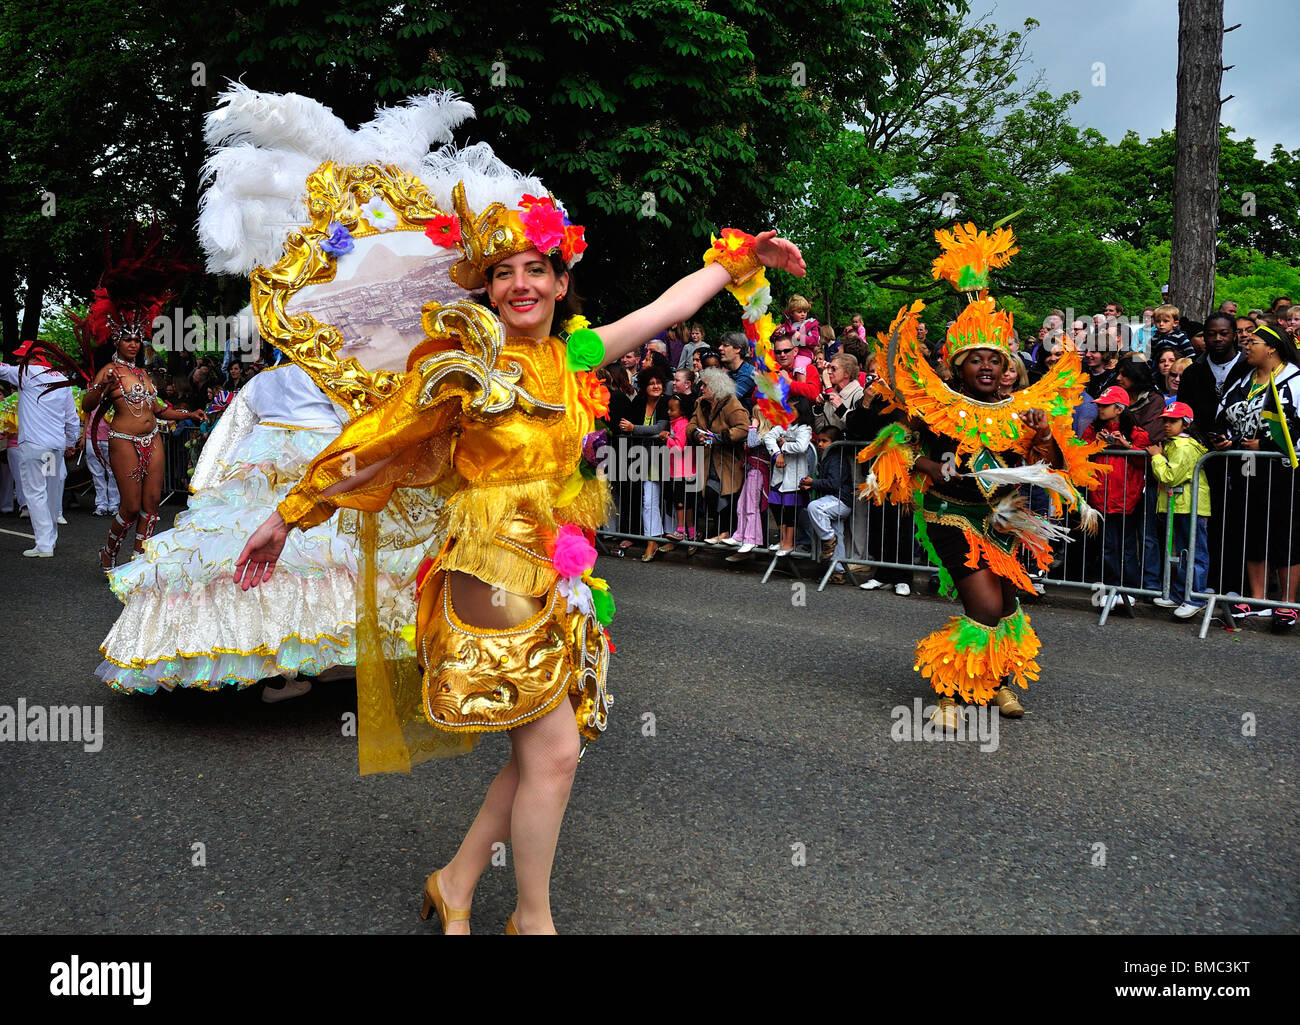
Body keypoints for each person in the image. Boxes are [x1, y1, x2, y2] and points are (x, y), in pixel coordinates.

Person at [228, 92, 805, 933]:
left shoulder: (574, 356)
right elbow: (379, 438)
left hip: (560, 558)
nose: (521, 282)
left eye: (537, 268)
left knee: (543, 753)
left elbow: (669, 309)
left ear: (561, 281)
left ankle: (457, 883)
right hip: (486, 558)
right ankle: (533, 919)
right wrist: (290, 511)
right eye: (504, 272)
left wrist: (736, 258)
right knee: (556, 749)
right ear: (488, 288)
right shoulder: (461, 365)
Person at [856, 224, 1104, 730]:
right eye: (976, 360)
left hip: (1006, 521)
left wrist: (1043, 436)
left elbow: (1055, 465)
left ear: (1008, 365)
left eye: (996, 358)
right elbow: (894, 445)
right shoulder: (936, 405)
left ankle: (997, 683)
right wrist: (933, 467)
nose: (987, 367)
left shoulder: (1024, 409)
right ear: (959, 367)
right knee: (985, 603)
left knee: (1008, 602)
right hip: (951, 515)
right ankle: (950, 692)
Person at [96, 359, 420, 699]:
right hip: (324, 457)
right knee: (327, 556)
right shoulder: (338, 372)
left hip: (260, 458)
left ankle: (281, 669)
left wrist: (207, 482)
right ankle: (327, 658)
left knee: (240, 552)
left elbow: (231, 431)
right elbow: (360, 426)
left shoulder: (262, 381)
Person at [82, 325, 207, 567]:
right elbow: (88, 405)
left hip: (153, 439)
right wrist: (101, 385)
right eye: (127, 339)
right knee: (130, 506)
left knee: (151, 504)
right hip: (124, 440)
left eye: (137, 340)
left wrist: (188, 414)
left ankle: (139, 562)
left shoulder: (142, 373)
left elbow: (158, 410)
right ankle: (109, 552)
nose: (133, 344)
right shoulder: (110, 371)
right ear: (117, 343)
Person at [1213, 323, 1300, 631]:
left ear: (1272, 348)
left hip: (1285, 470)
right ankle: (1258, 598)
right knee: (1251, 529)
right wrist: (1225, 439)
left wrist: (1265, 444)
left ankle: (1287, 604)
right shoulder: (1245, 380)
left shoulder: (1294, 380)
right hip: (1247, 467)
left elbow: (1295, 422)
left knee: (1284, 534)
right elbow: (1223, 414)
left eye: (1252, 342)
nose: (1245, 347)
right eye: (1245, 342)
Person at [0, 342, 81, 556]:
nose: (17, 360)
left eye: (20, 357)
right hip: (54, 447)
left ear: (32, 358)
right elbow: (71, 417)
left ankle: (44, 544)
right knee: (51, 493)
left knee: (35, 493)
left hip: (34, 447)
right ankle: (50, 539)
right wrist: (71, 442)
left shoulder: (25, 372)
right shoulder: (62, 379)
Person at [1083, 386, 1149, 601]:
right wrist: (1096, 444)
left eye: (1105, 405)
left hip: (1127, 499)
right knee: (1107, 546)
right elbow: (1080, 454)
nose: (1100, 409)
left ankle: (1129, 590)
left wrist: (1127, 446)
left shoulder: (1137, 434)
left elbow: (1147, 462)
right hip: (1101, 498)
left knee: (1128, 546)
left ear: (1119, 409)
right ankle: (1111, 589)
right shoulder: (1092, 430)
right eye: (1099, 405)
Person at [1146, 402, 1211, 618]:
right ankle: (1180, 594)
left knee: (1194, 553)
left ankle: (1195, 597)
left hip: (1190, 505)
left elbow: (1170, 477)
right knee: (1183, 553)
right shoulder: (1174, 444)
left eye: (1172, 421)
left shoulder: (1183, 446)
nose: (1166, 424)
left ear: (1186, 423)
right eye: (1165, 420)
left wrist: (1156, 456)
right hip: (1181, 505)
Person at [690, 366, 751, 544]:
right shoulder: (701, 404)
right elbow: (691, 424)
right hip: (709, 460)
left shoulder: (731, 403)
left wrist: (719, 438)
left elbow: (743, 428)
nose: (701, 388)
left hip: (727, 461)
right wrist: (696, 435)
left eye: (705, 385)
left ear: (716, 387)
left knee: (726, 495)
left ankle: (726, 533)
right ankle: (720, 532)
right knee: (710, 493)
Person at [624, 368, 670, 561]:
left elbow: (661, 428)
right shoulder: (638, 402)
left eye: (658, 382)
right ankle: (652, 539)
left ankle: (671, 537)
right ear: (644, 386)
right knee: (649, 500)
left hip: (666, 458)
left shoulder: (667, 402)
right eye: (651, 383)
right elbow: (626, 429)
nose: (656, 386)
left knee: (669, 499)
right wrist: (640, 431)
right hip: (642, 458)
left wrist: (636, 428)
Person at [803, 424, 855, 583]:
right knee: (838, 533)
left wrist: (813, 483)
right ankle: (838, 572)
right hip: (833, 501)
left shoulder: (836, 459)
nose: (819, 444)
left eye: (824, 441)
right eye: (818, 441)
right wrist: (812, 484)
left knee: (814, 507)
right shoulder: (828, 458)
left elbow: (833, 483)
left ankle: (828, 538)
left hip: (840, 501)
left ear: (834, 442)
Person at [764, 396, 814, 555]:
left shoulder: (805, 428)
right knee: (776, 505)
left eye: (792, 409)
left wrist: (784, 445)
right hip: (780, 475)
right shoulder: (783, 425)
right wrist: (777, 453)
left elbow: (802, 446)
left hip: (794, 475)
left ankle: (789, 542)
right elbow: (768, 437)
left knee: (791, 509)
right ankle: (782, 538)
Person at [725, 406, 774, 560]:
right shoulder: (758, 433)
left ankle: (751, 539)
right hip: (751, 470)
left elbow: (752, 442)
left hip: (759, 472)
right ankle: (740, 535)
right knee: (742, 504)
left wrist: (753, 425)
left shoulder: (766, 433)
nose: (752, 418)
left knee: (752, 506)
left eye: (754, 415)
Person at [659, 392, 696, 547]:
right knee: (684, 503)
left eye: (672, 410)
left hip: (684, 470)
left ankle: (682, 531)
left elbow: (679, 447)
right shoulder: (675, 424)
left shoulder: (683, 424)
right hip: (680, 469)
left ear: (681, 411)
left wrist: (666, 439)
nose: (668, 412)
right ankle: (691, 534)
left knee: (681, 502)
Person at [816, 353, 863, 432]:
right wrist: (818, 408)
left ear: (847, 373)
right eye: (829, 368)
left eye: (833, 369)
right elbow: (820, 430)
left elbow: (859, 427)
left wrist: (841, 408)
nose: (829, 372)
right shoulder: (832, 394)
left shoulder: (859, 395)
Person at [717, 331, 757, 407]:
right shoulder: (731, 372)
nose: (720, 348)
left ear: (737, 349)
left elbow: (726, 401)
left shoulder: (748, 374)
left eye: (725, 345)